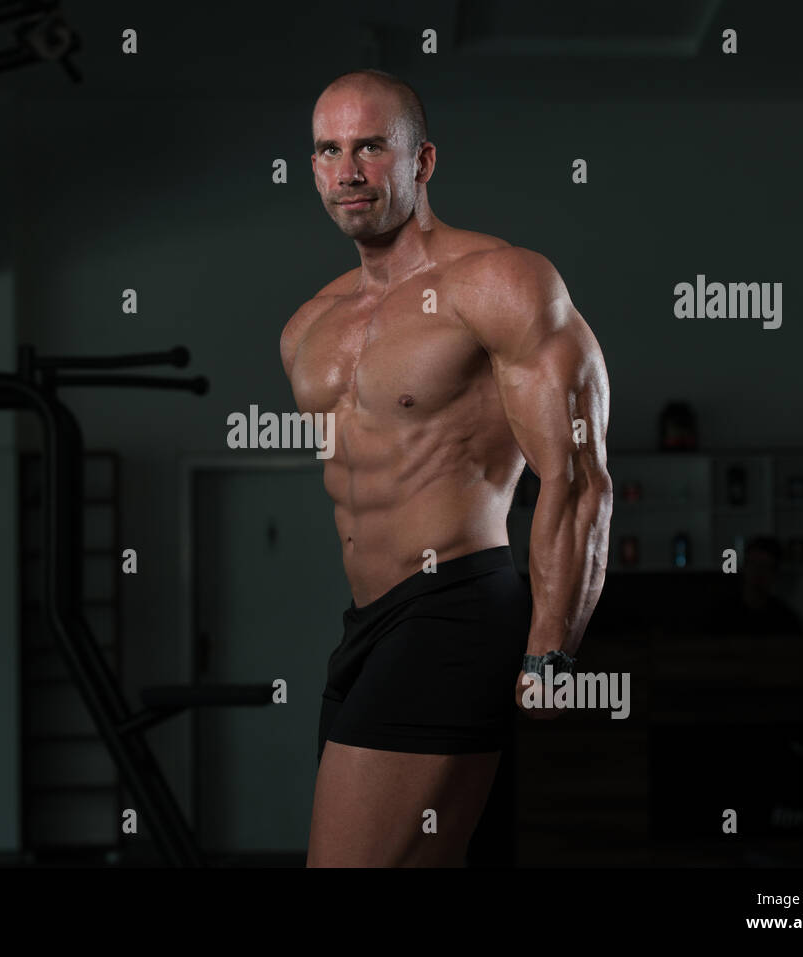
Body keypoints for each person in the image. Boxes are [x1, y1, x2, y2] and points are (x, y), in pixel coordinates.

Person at [279, 69, 613, 866]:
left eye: (370, 147)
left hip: (456, 608)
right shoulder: (306, 329)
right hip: (365, 626)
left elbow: (577, 475)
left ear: (421, 161)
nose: (348, 170)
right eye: (328, 150)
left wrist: (551, 647)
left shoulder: (499, 282)